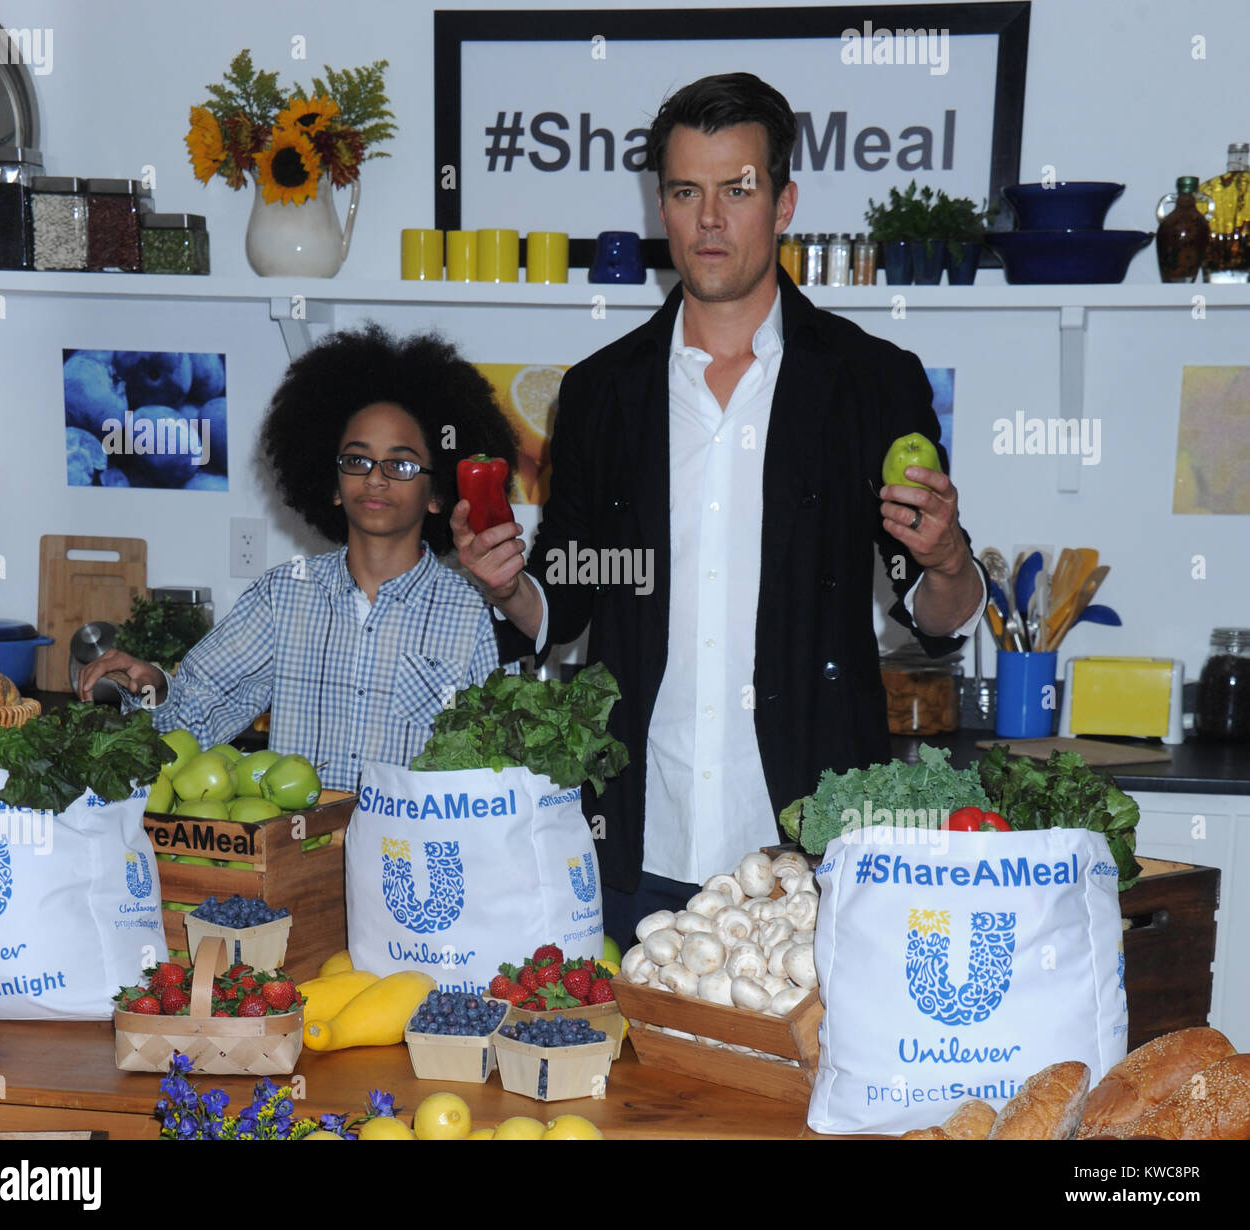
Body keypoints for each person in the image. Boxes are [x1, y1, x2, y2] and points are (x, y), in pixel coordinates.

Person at [453, 73, 986, 945]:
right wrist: (507, 585)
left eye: (736, 190)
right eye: (685, 191)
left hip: (808, 848)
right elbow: (568, 597)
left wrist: (949, 559)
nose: (709, 219)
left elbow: (937, 618)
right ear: (660, 205)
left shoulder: (871, 381)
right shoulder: (600, 392)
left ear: (782, 205)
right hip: (636, 839)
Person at [78, 324, 521, 792]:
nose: (374, 478)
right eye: (356, 459)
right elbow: (194, 720)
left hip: (416, 859)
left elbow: (501, 772)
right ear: (331, 485)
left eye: (401, 464)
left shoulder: (475, 614)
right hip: (300, 857)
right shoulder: (283, 596)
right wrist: (154, 688)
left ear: (438, 495)